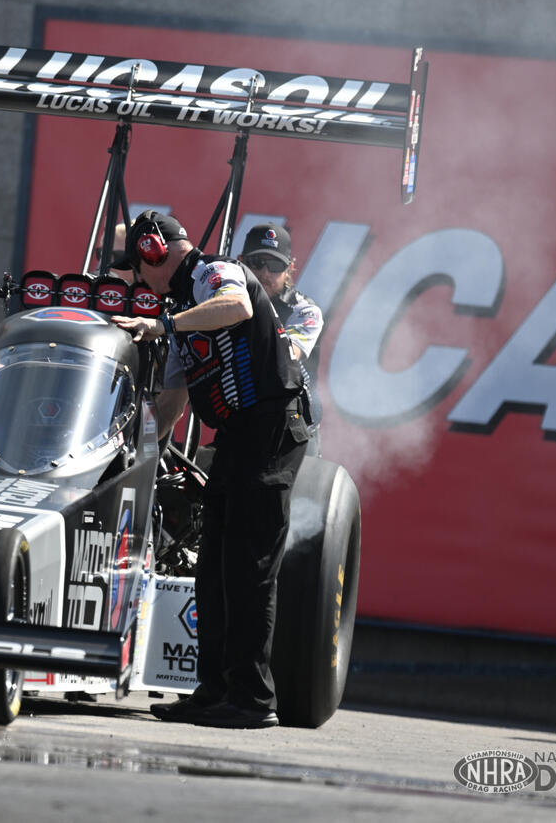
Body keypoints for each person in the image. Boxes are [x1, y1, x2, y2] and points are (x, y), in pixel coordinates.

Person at [112, 210, 310, 729]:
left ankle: (252, 699)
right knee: (214, 565)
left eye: (138, 266)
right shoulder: (178, 305)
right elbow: (174, 396)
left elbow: (237, 304)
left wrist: (164, 324)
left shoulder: (212, 272)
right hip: (236, 437)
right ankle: (214, 689)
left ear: (155, 252)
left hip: (271, 427)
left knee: (249, 566)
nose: (138, 279)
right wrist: (137, 456)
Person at [237, 223, 324, 457]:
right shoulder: (225, 305)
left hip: (294, 433)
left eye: (275, 265)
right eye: (256, 263)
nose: (265, 274)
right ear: (240, 262)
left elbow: (285, 358)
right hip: (240, 427)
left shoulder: (305, 311)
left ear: (290, 268)